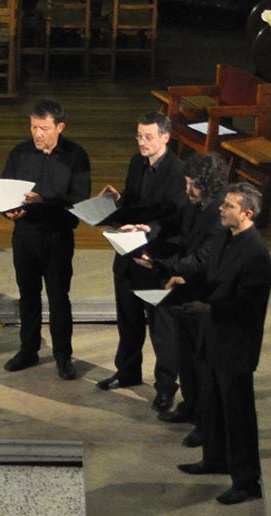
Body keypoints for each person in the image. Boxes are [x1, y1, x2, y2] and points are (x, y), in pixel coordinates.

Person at [171, 183, 271, 505]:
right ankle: (214, 459)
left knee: (237, 414)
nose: (221, 209)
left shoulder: (257, 255)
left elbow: (248, 307)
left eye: (229, 206)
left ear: (247, 214)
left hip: (235, 345)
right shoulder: (225, 241)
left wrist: (209, 307)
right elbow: (211, 278)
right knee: (213, 405)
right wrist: (186, 283)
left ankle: (246, 481)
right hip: (213, 338)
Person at [95, 112, 187, 413]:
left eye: (148, 137)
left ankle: (164, 388)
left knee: (161, 328)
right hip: (127, 252)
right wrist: (112, 205)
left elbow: (175, 217)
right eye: (138, 136)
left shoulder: (177, 172)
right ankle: (128, 372)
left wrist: (148, 230)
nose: (142, 142)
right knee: (128, 318)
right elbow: (134, 202)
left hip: (154, 257)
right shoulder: (137, 163)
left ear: (165, 137)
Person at [136, 152, 229, 442]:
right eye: (186, 183)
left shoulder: (220, 213)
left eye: (193, 186)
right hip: (186, 291)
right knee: (185, 356)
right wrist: (149, 231)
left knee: (203, 364)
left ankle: (206, 422)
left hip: (205, 297)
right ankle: (190, 406)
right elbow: (174, 222)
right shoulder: (195, 203)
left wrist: (161, 264)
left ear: (209, 185)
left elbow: (202, 260)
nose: (187, 191)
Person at [0, 99, 90, 380]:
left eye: (44, 128)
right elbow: (5, 190)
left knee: (58, 297)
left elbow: (78, 203)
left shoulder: (76, 156)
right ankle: (28, 350)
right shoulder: (20, 152)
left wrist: (43, 201)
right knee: (28, 296)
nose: (37, 133)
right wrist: (9, 210)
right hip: (25, 235)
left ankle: (63, 355)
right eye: (33, 127)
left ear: (59, 127)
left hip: (57, 237)